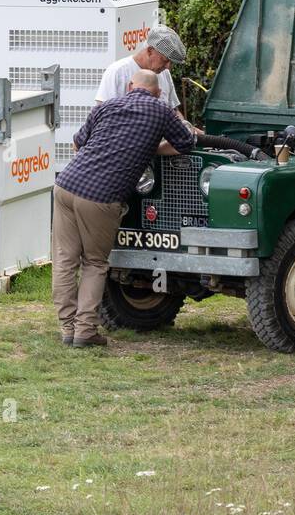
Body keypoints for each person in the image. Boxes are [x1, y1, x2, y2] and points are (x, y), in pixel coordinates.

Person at [51, 68, 194, 348]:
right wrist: (149, 148)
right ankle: (85, 331)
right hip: (101, 197)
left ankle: (68, 329)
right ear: (158, 92)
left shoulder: (109, 105)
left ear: (130, 86)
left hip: (65, 186)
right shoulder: (161, 110)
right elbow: (186, 143)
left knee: (65, 260)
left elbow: (77, 144)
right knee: (94, 263)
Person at [96, 24, 186, 108]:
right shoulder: (117, 71)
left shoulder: (164, 73)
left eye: (171, 63)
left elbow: (173, 110)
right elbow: (102, 113)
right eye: (164, 60)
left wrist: (186, 124)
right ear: (150, 51)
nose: (168, 67)